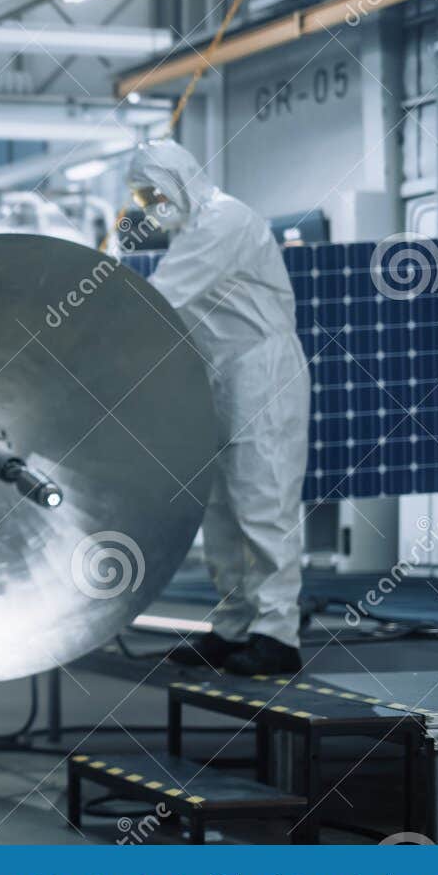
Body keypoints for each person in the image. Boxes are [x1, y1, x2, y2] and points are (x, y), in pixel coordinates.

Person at [126, 139, 311, 676]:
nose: (149, 204)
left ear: (179, 179)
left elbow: (160, 298)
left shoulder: (223, 222)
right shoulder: (190, 232)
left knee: (263, 499)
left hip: (262, 371)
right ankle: (234, 628)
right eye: (142, 196)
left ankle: (277, 635)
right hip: (219, 375)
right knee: (223, 510)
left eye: (154, 191)